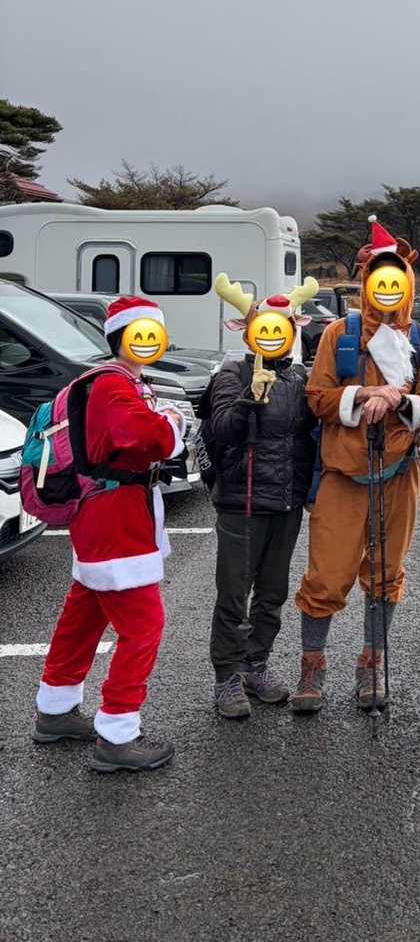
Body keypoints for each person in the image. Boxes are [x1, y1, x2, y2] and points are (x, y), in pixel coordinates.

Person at [292, 217, 420, 713]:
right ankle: (312, 668)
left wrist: (398, 401)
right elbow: (316, 397)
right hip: (342, 474)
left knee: (386, 571)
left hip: (400, 470)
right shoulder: (340, 334)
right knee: (327, 574)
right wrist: (364, 395)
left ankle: (371, 664)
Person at [32, 296, 187, 773]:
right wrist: (174, 425)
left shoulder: (106, 380)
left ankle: (55, 711)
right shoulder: (115, 387)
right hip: (116, 515)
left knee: (84, 615)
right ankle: (117, 734)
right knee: (143, 627)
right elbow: (140, 436)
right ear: (123, 339)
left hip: (99, 512)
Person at [208, 276, 319, 718]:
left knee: (272, 593)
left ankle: (256, 664)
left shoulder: (299, 379)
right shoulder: (232, 374)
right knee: (234, 595)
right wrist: (250, 400)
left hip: (286, 503)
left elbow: (311, 435)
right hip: (242, 501)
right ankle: (227, 677)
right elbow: (221, 429)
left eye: (283, 328)